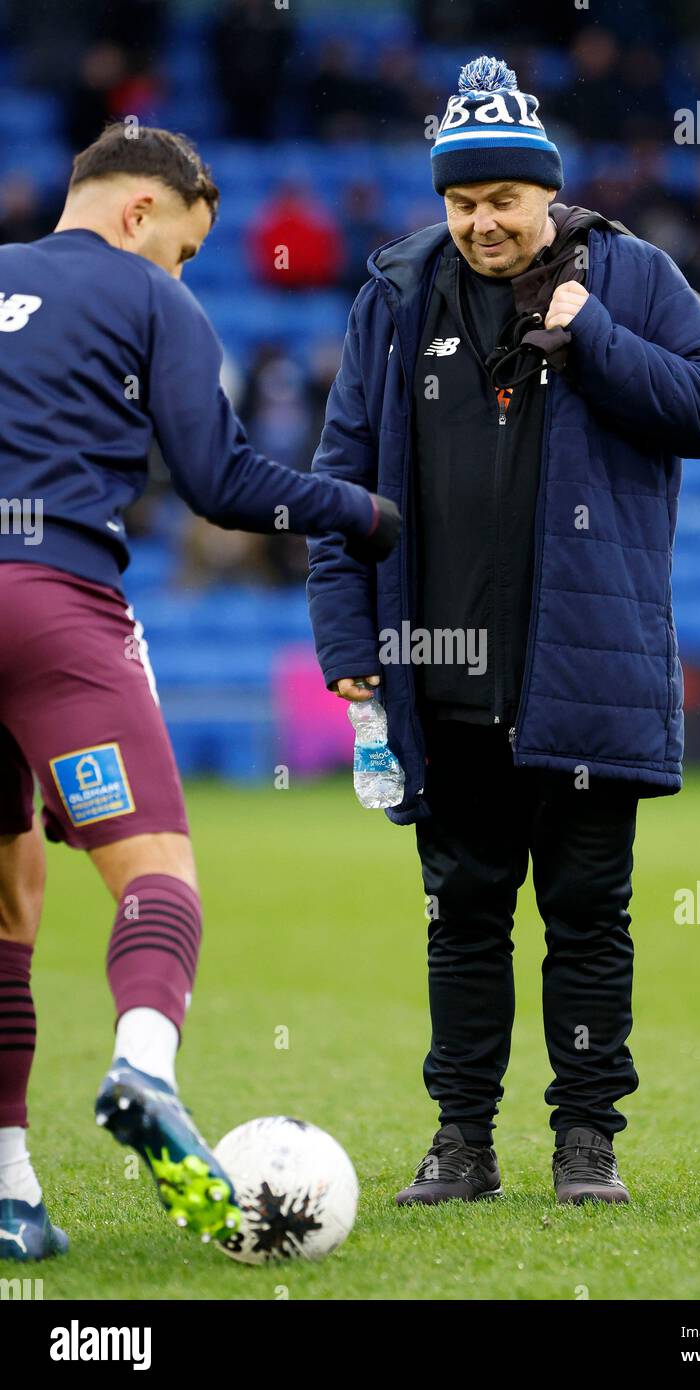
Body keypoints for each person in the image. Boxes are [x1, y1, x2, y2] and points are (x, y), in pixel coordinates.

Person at [307, 56, 700, 1207]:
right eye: (459, 204)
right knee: (460, 919)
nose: (479, 225)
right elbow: (336, 482)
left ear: (544, 192)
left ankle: (585, 1144)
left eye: (500, 201)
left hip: (582, 675)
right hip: (441, 680)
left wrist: (593, 333)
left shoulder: (635, 276)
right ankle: (461, 1142)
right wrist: (348, 646)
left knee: (587, 919)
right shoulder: (396, 294)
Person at [0, 124, 399, 1261]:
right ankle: (143, 1065)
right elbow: (222, 483)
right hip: (52, 611)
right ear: (138, 215)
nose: (180, 271)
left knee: (8, 908)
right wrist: (362, 513)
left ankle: (11, 1189)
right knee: (158, 874)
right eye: (182, 249)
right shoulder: (148, 299)